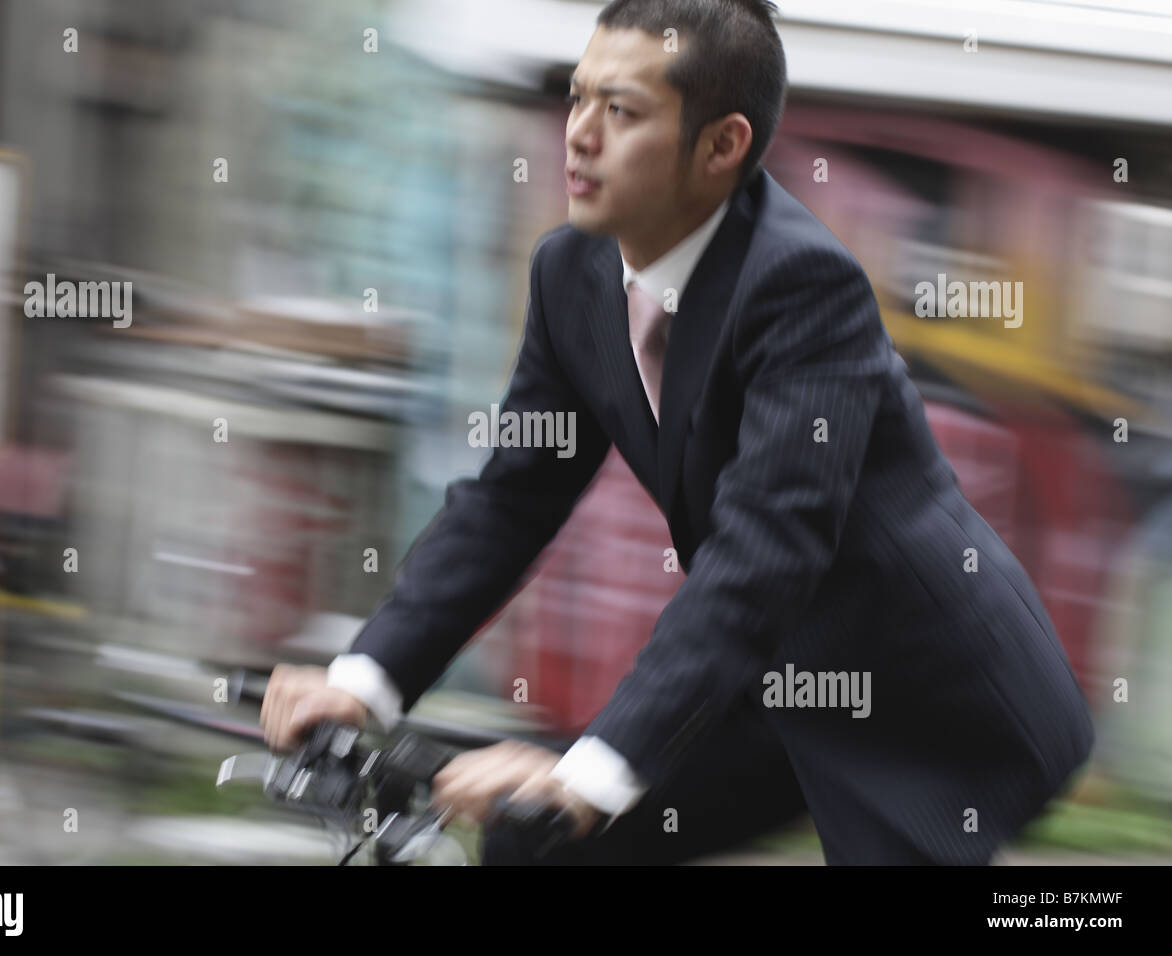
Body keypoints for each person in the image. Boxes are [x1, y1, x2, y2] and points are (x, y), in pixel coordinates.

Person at [260, 0, 1095, 865]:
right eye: (579, 99)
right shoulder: (571, 273)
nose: (578, 134)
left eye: (620, 111)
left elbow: (764, 553)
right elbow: (511, 500)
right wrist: (365, 681)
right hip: (763, 681)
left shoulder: (804, 286)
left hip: (921, 699)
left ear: (721, 146)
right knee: (531, 844)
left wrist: (588, 776)